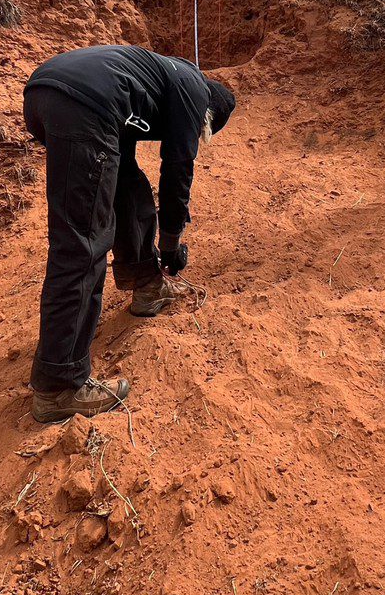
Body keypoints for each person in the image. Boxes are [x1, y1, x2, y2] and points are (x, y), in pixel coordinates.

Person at [23, 45, 236, 422]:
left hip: (49, 93)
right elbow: (177, 175)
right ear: (210, 115)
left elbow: (129, 148)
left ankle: (147, 285)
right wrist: (171, 245)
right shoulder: (196, 94)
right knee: (82, 242)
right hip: (85, 104)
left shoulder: (164, 78)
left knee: (128, 188)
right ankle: (59, 388)